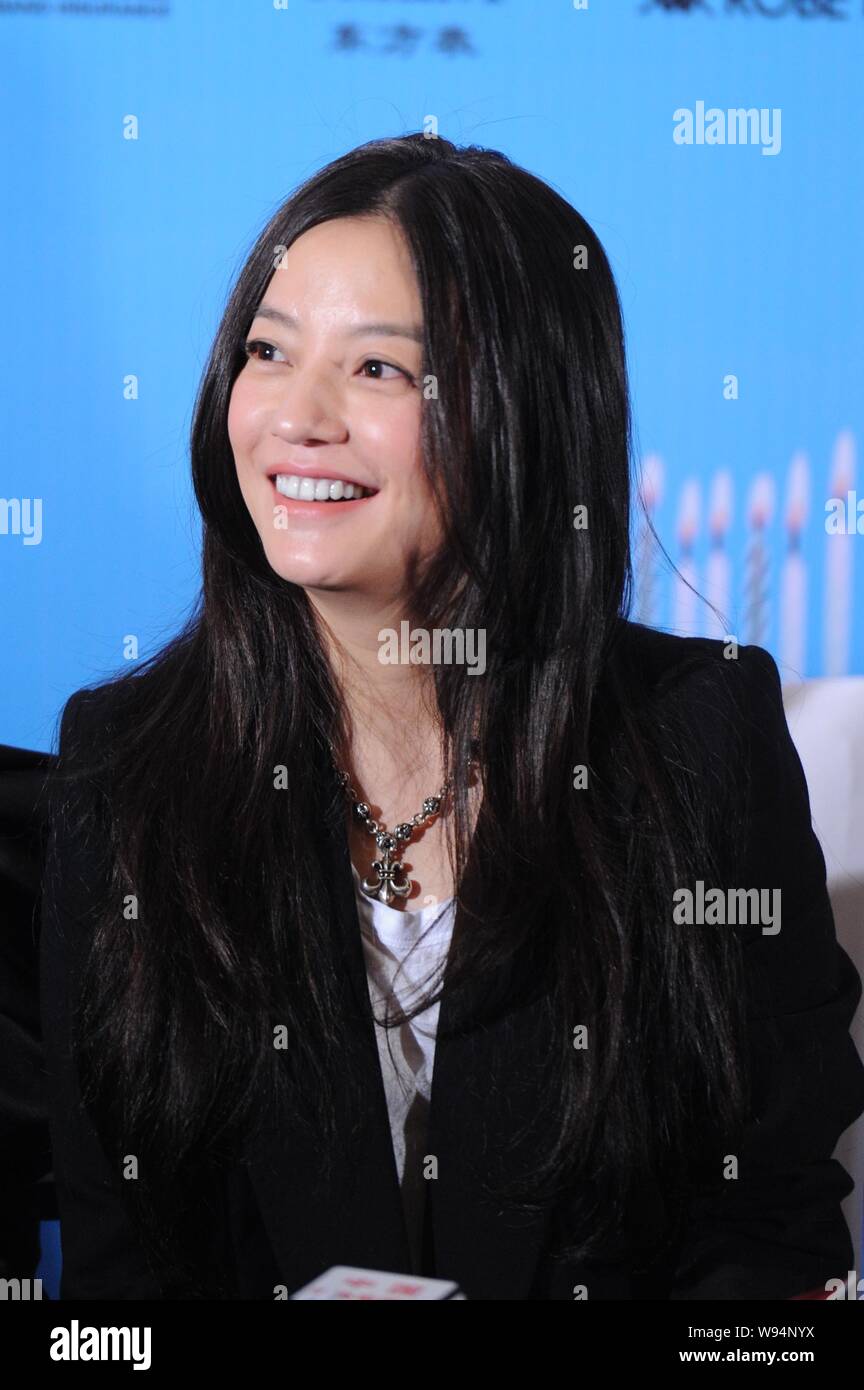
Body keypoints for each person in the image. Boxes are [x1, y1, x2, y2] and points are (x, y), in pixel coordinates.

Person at [39, 133, 864, 1301]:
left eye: (380, 371)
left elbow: (767, 1239)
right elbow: (118, 1288)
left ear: (522, 409)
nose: (295, 416)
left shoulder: (698, 744)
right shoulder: (125, 775)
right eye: (267, 352)